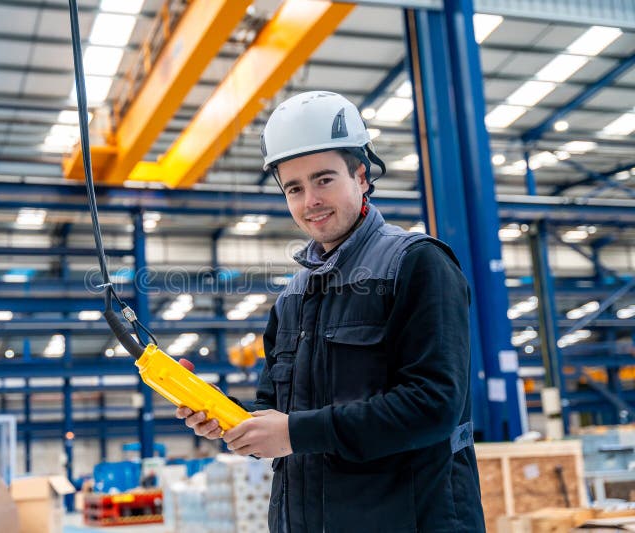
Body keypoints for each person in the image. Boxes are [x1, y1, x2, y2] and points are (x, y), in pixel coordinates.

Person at [176, 91, 485, 532]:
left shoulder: (417, 263)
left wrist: (293, 433)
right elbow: (275, 412)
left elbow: (434, 406)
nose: (310, 202)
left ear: (360, 176)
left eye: (324, 180)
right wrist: (228, 421)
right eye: (294, 188)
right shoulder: (292, 298)